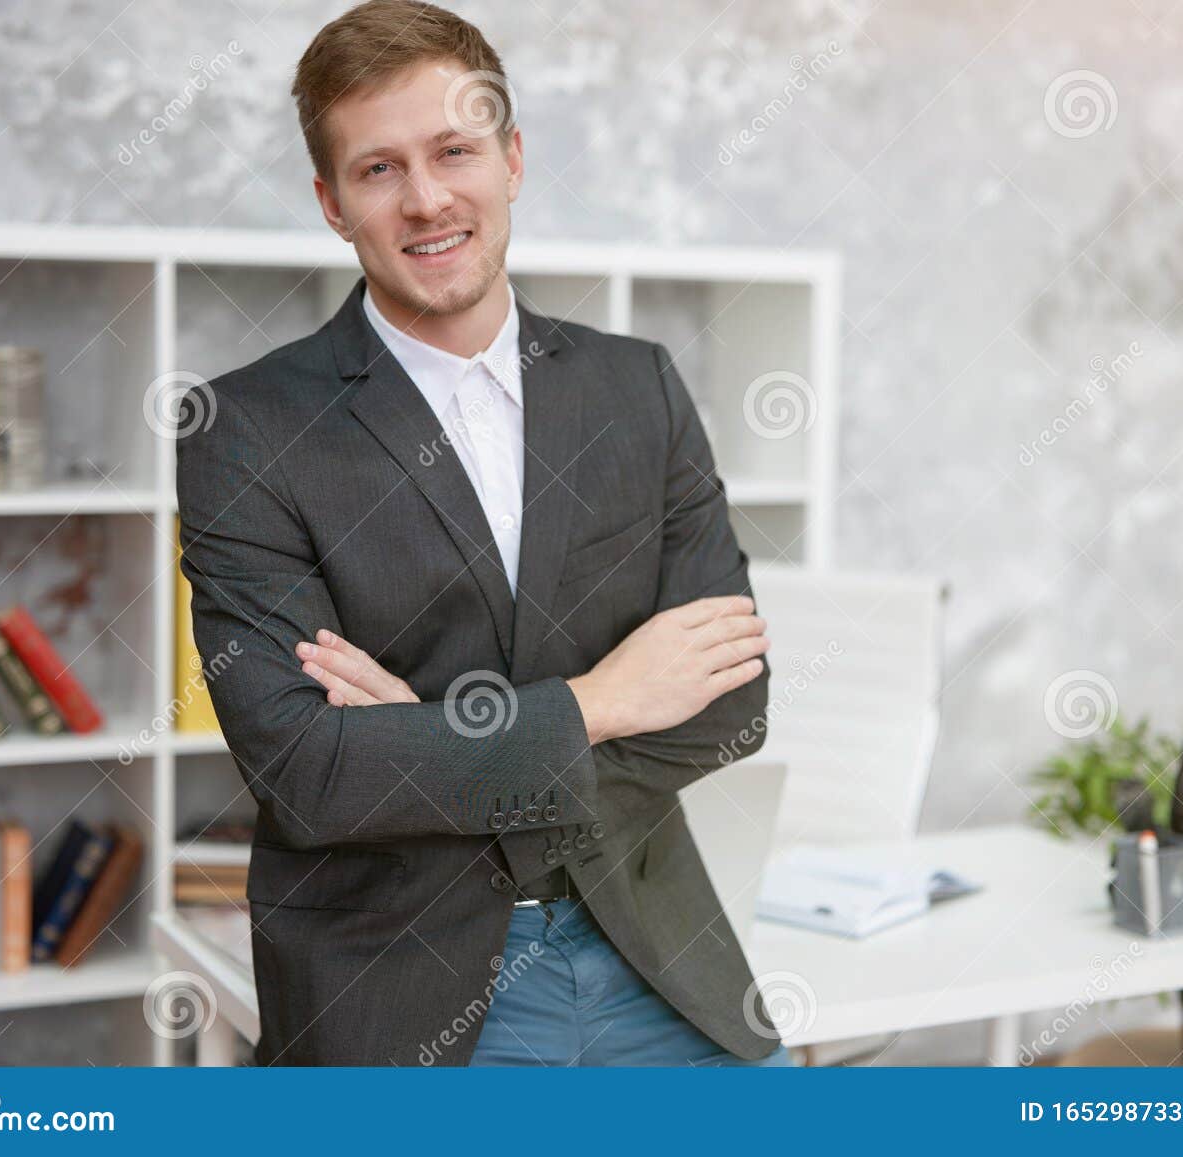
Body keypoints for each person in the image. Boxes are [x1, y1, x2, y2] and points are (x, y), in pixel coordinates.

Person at [175, 0, 789, 1067]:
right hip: (400, 984)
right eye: (378, 169)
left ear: (510, 159)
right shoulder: (246, 431)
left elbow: (731, 705)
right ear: (330, 203)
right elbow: (312, 772)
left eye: (453, 151)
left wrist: (423, 743)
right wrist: (599, 701)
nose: (425, 199)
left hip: (653, 953)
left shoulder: (634, 387)